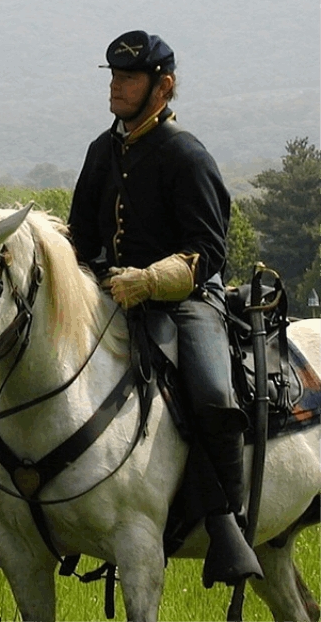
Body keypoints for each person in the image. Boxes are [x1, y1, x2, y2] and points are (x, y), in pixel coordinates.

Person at [67, 30, 263, 587]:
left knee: (211, 392)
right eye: (112, 77)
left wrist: (151, 279)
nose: (115, 87)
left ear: (163, 86)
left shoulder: (187, 155)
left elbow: (209, 252)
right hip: (110, 296)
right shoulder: (101, 150)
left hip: (187, 303)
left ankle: (227, 527)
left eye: (127, 78)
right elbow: (81, 236)